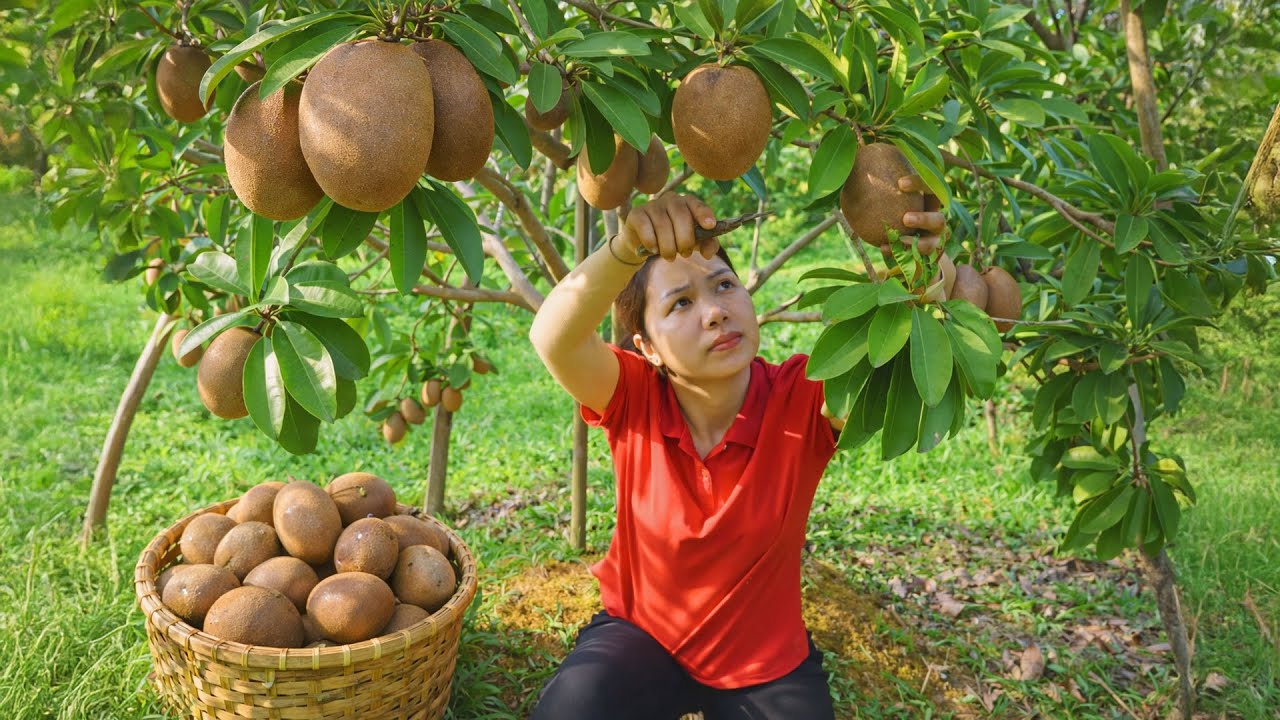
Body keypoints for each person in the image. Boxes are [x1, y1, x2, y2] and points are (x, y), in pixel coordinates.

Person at [527, 185, 944, 719]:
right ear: (648, 349)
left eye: (724, 285)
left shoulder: (804, 394)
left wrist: (927, 269)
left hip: (765, 663)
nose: (715, 312)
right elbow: (552, 338)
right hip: (641, 636)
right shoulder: (633, 395)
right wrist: (626, 245)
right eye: (681, 302)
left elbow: (904, 345)